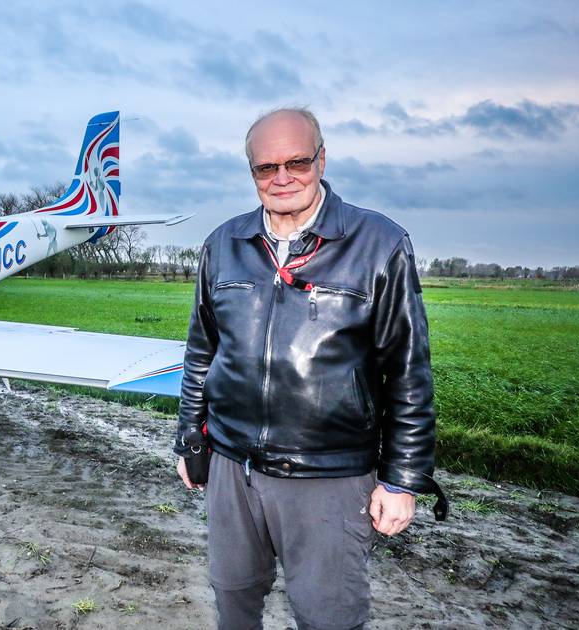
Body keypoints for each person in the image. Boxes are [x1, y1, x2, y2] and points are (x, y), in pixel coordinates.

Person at [174, 108, 446, 630]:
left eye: (297, 161)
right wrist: (191, 437)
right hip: (233, 465)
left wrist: (403, 479)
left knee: (328, 616)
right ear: (250, 171)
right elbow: (200, 352)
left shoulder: (379, 244)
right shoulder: (223, 246)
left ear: (322, 159)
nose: (282, 178)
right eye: (265, 167)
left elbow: (408, 370)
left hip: (331, 473)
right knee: (233, 595)